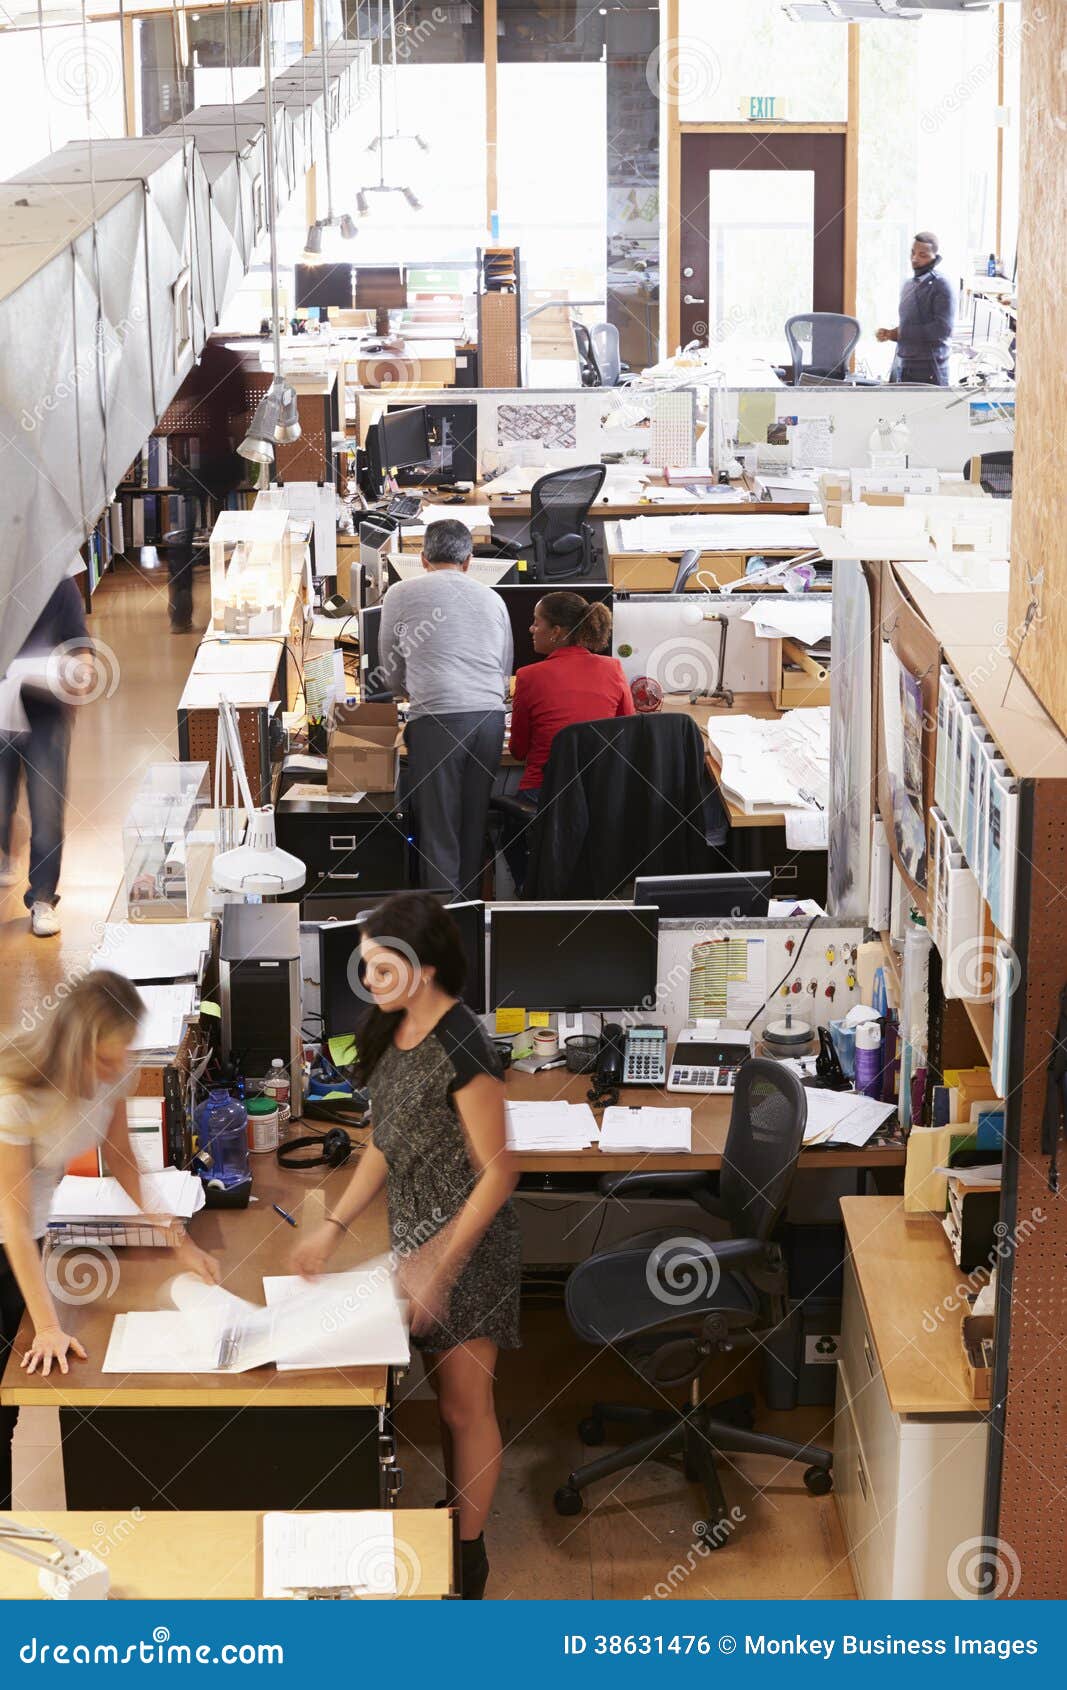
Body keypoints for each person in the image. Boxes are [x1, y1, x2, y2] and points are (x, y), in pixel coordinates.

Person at [292, 893, 519, 1599]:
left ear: (420, 969)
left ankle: (468, 1559)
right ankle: (453, 1515)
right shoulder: (390, 1033)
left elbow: (500, 1172)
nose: (366, 976)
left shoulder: (463, 1046)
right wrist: (332, 1226)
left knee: (462, 1407)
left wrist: (437, 1269)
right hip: (414, 1243)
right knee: (436, 1398)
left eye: (379, 964)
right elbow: (385, 1143)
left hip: (465, 1252)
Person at [0, 972, 219, 1509]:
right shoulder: (16, 1096)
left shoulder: (108, 1072)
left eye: (124, 1053)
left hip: (26, 1239)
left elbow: (120, 1157)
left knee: (8, 1406)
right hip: (8, 1237)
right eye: (105, 1058)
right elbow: (12, 1218)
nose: (119, 1071)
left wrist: (175, 1236)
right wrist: (48, 1325)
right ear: (75, 1048)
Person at [377, 519, 512, 901]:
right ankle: (469, 918)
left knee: (439, 830)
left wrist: (411, 691)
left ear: (422, 559)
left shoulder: (401, 593)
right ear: (469, 561)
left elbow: (389, 668)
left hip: (437, 720)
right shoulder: (493, 598)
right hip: (489, 720)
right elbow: (504, 669)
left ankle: (443, 927)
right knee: (472, 826)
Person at [504, 592, 634, 889]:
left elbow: (519, 750)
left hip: (543, 794)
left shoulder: (528, 676)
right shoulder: (613, 668)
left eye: (537, 623)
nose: (531, 629)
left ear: (557, 632)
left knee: (505, 832)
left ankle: (528, 893)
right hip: (600, 794)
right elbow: (627, 730)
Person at [0, 575, 94, 937]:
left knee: (47, 806)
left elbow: (79, 641)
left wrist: (81, 671)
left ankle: (42, 897)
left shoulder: (56, 584)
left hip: (46, 712)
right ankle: (8, 841)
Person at [166, 341, 249, 634]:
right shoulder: (231, 362)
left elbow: (178, 407)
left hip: (197, 465)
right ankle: (235, 603)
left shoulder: (196, 366)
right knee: (225, 526)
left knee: (183, 538)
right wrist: (241, 458)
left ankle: (180, 610)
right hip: (225, 465)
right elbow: (239, 421)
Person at [876, 231, 956, 386]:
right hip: (904, 364)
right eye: (913, 253)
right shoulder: (909, 285)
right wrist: (890, 333)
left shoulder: (942, 285)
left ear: (936, 257)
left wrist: (899, 334)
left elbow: (942, 329)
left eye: (923, 255)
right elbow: (911, 323)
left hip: (929, 369)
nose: (915, 259)